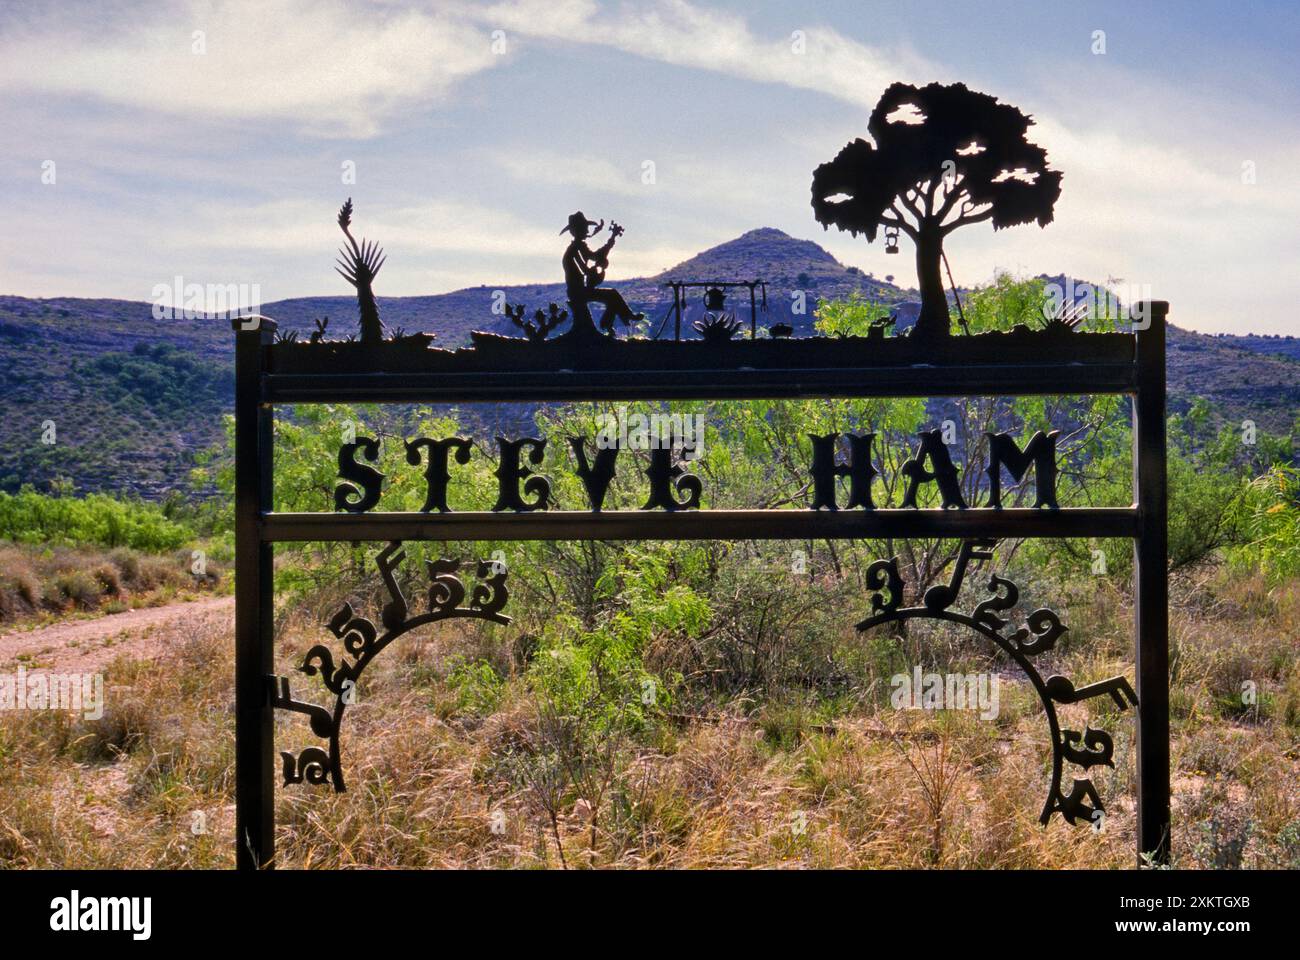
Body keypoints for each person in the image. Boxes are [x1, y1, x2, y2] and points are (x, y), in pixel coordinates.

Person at [560, 212, 645, 335]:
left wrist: (611, 240)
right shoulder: (575, 250)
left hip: (579, 290)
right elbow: (587, 268)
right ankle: (613, 322)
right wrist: (596, 270)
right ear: (577, 230)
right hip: (577, 291)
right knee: (612, 295)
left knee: (611, 295)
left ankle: (611, 323)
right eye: (585, 227)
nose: (587, 230)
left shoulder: (579, 247)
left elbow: (595, 256)